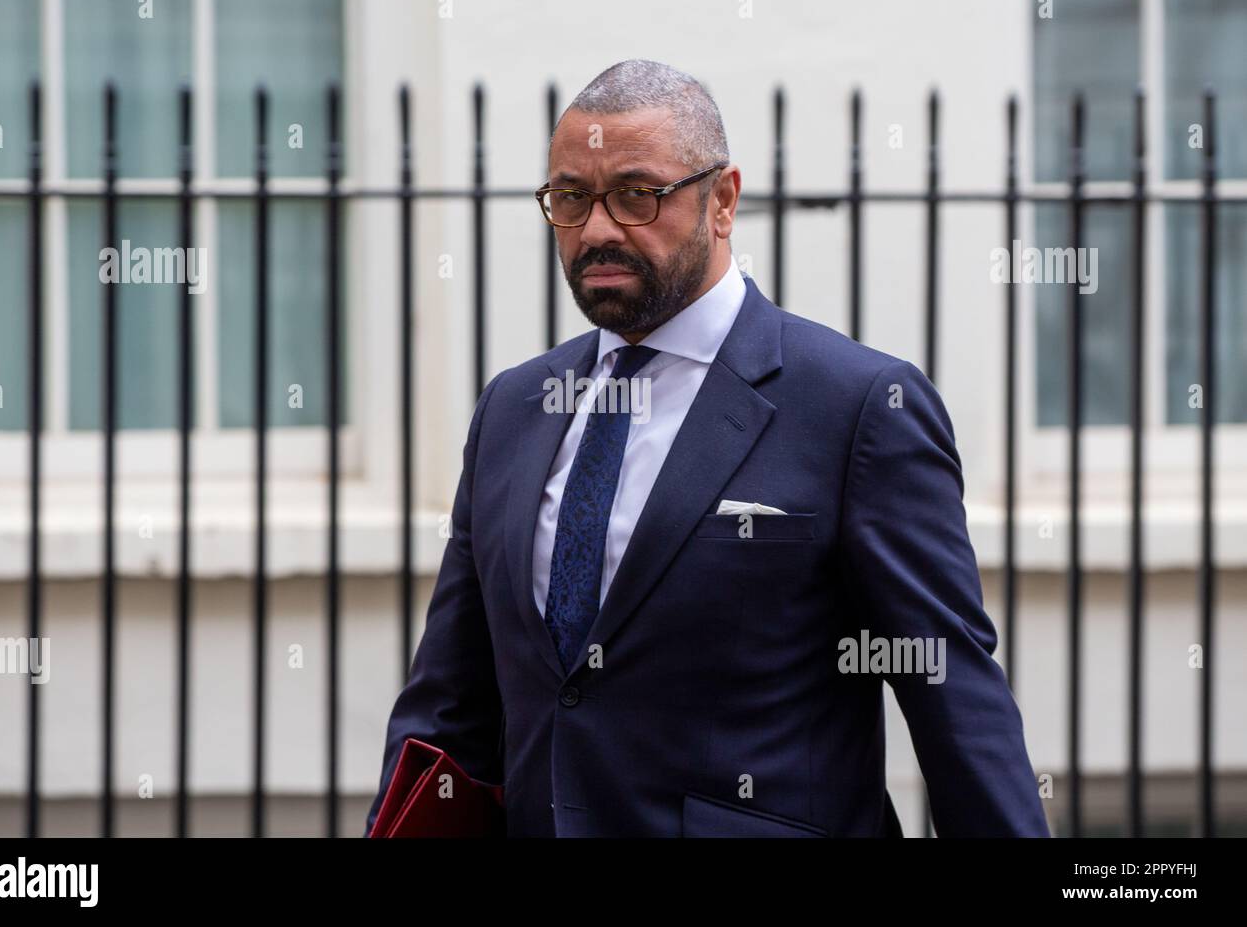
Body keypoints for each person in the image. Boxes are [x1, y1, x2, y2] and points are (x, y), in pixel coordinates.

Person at [365, 58, 1048, 837]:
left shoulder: (858, 408)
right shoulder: (514, 410)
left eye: (635, 195)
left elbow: (954, 698)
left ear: (722, 200)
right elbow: (448, 706)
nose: (596, 230)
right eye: (570, 198)